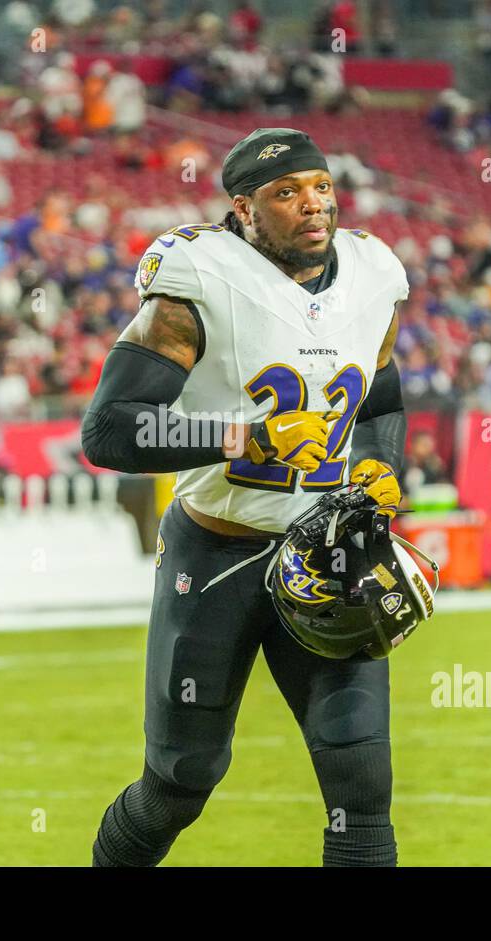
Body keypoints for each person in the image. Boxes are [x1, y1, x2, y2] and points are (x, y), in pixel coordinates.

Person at [82, 128, 410, 866]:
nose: (313, 205)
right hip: (218, 552)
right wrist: (248, 439)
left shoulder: (373, 272)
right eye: (287, 193)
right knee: (180, 782)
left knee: (362, 783)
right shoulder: (200, 277)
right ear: (244, 209)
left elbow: (381, 399)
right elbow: (109, 432)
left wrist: (382, 469)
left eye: (321, 187)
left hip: (327, 549)